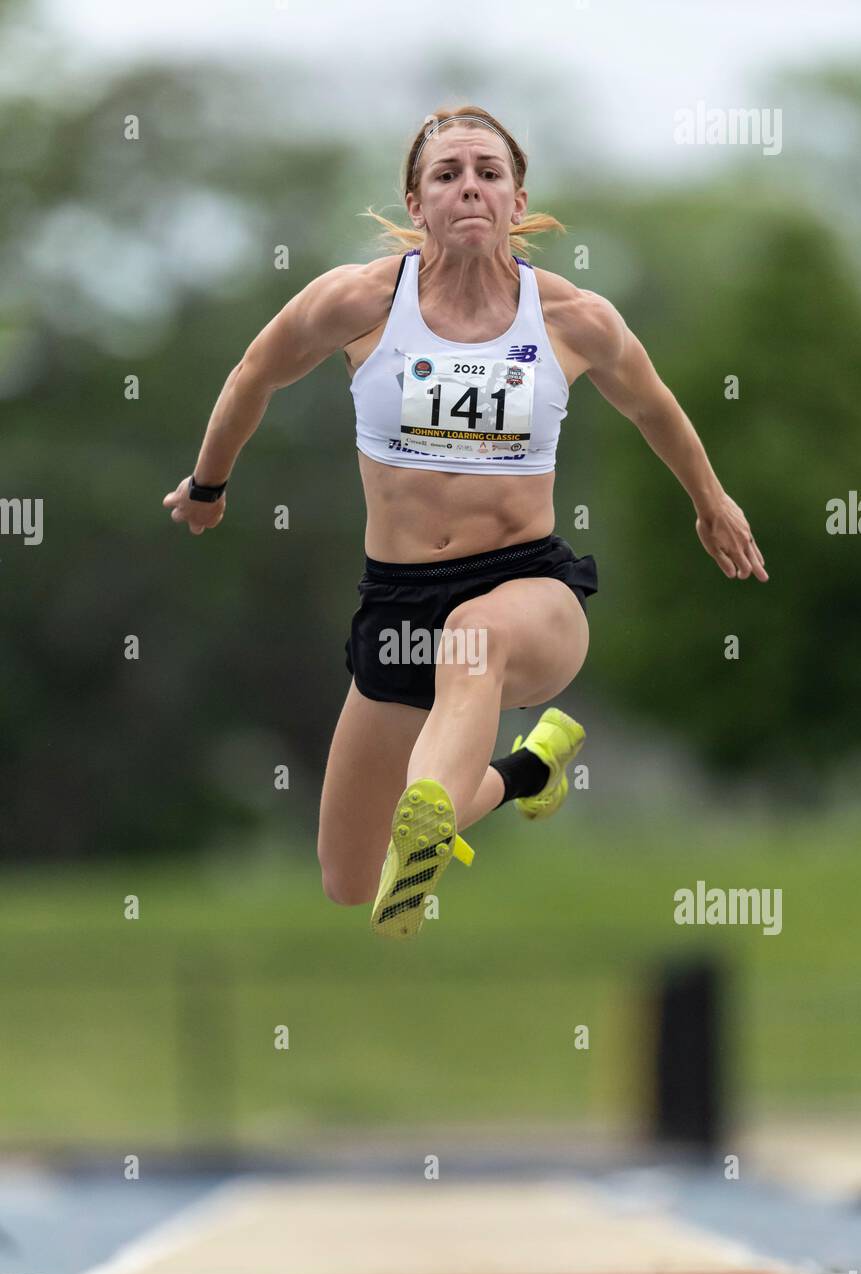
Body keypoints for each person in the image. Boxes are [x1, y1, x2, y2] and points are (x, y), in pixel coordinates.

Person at [163, 105, 768, 941]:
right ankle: (525, 770)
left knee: (471, 643)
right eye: (448, 174)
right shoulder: (358, 302)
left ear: (518, 202)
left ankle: (436, 808)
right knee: (349, 876)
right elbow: (254, 375)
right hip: (398, 600)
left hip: (527, 591)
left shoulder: (573, 319)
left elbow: (655, 408)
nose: (470, 188)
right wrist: (208, 483)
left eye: (488, 172)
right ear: (417, 203)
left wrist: (712, 501)